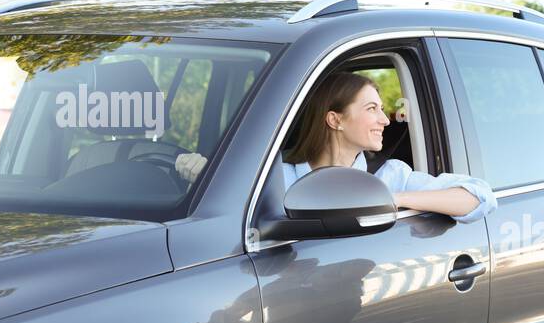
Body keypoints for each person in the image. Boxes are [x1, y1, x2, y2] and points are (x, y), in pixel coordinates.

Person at [175, 71, 495, 223]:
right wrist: (205, 174)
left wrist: (389, 199)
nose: (385, 120)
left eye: (382, 109)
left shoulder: (389, 177)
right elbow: (235, 201)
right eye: (372, 109)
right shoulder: (276, 179)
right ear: (335, 119)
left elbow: (479, 196)